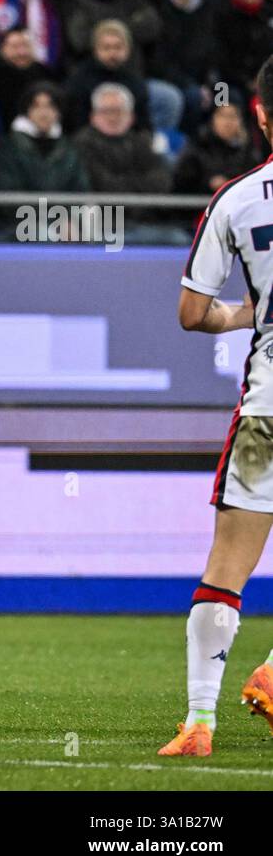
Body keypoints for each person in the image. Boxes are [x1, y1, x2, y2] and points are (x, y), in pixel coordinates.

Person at [160, 56, 273, 758]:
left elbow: (191, 313)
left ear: (260, 115)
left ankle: (200, 724)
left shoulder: (237, 199)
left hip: (269, 406)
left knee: (227, 564)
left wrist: (247, 315)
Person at [0, 81, 90, 192]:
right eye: (36, 106)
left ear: (58, 112)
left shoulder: (69, 148)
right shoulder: (9, 147)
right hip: (23, 209)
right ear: (27, 110)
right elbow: (8, 189)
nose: (44, 113)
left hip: (62, 210)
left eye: (50, 106)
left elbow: (80, 188)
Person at [171, 103, 264, 195]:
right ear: (213, 119)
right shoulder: (197, 147)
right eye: (223, 116)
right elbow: (180, 184)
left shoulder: (248, 152)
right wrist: (208, 185)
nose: (228, 122)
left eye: (233, 116)